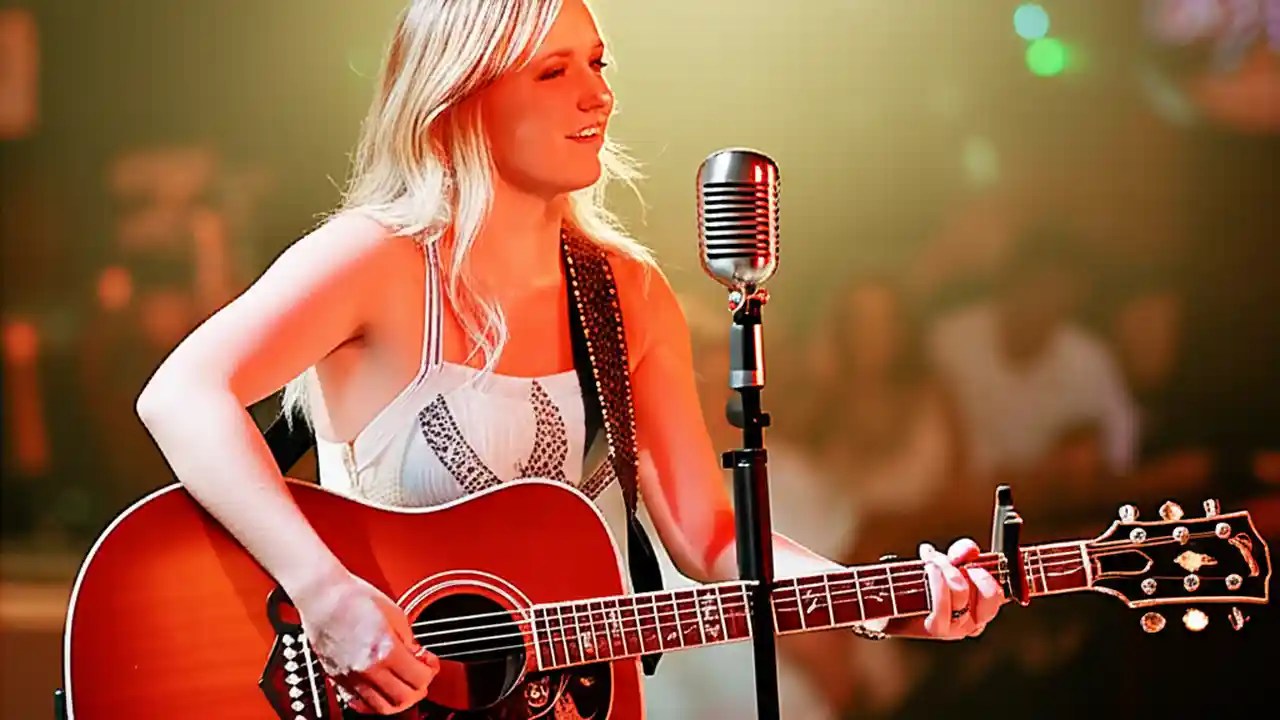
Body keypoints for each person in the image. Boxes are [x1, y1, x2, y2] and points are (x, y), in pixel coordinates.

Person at [133, 0, 1003, 715]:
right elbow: (182, 393)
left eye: (597, 65)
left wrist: (878, 602)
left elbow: (709, 535)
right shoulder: (376, 259)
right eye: (554, 72)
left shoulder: (627, 292)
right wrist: (322, 594)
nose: (596, 98)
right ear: (458, 100)